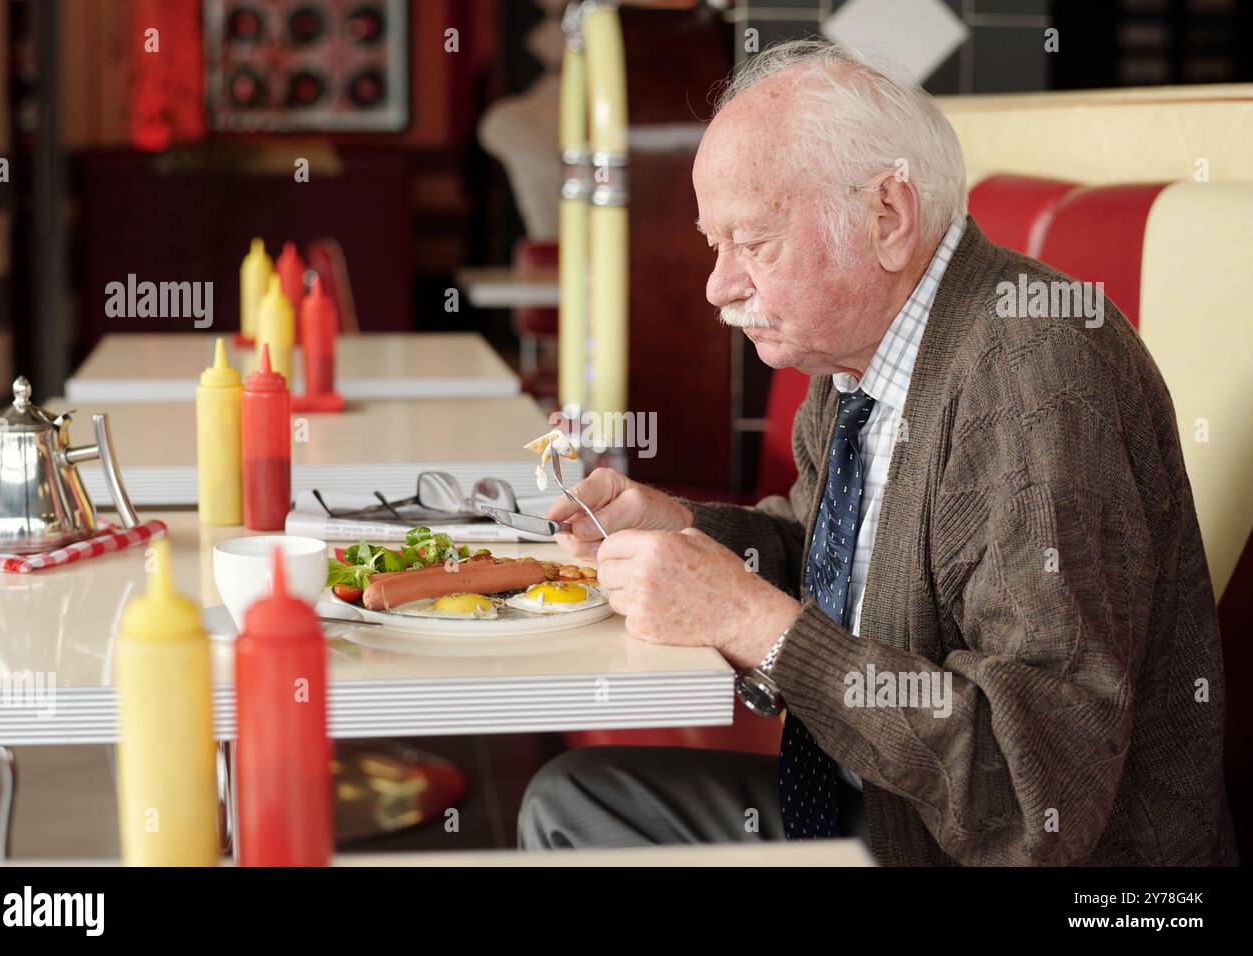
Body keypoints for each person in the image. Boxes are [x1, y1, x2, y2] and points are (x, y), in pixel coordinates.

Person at [516, 40, 1237, 865]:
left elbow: (1035, 796)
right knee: (575, 802)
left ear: (886, 217)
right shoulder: (861, 350)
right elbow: (836, 560)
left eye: (752, 243)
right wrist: (684, 529)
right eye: (714, 244)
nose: (719, 285)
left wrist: (752, 622)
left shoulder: (1037, 375)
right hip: (884, 814)